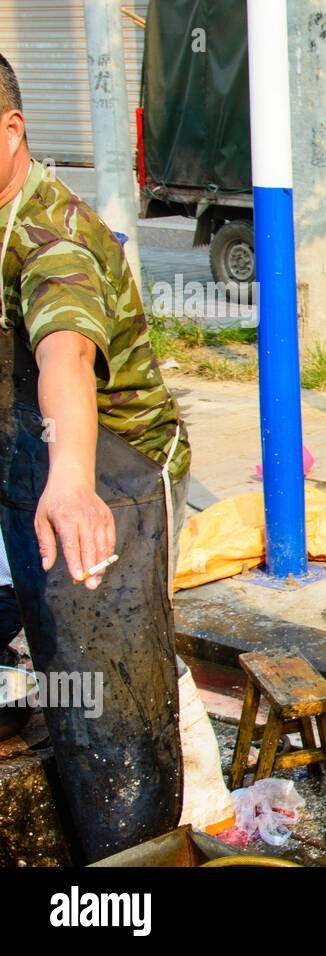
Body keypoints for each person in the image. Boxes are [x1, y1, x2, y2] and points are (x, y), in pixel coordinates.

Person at [0, 52, 189, 861]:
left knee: (113, 714)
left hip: (110, 491)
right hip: (23, 483)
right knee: (48, 673)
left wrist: (71, 481)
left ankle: (130, 872)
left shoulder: (55, 235)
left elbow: (65, 356)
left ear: (9, 130)